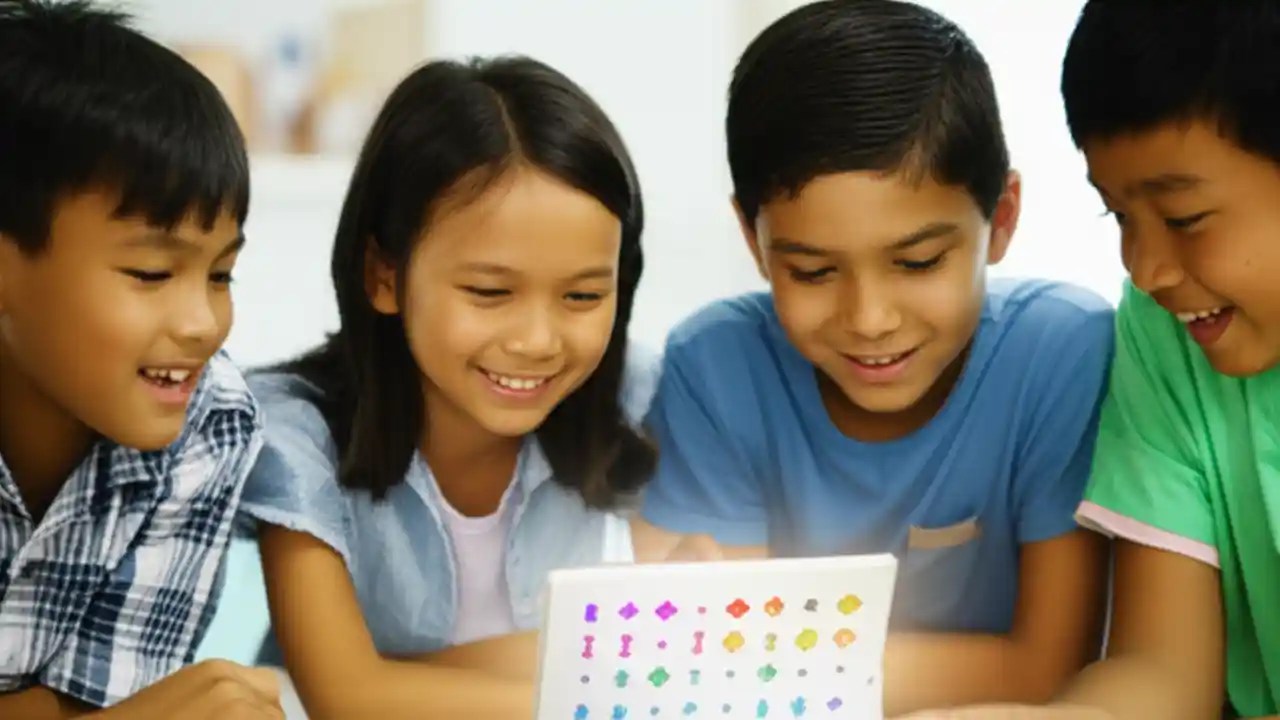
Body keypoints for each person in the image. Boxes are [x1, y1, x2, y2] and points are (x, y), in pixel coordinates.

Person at [629, 1, 1114, 714]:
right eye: (814, 273)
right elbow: (723, 679)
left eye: (918, 262)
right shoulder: (715, 369)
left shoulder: (1061, 351)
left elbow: (1046, 672)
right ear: (752, 236)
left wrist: (791, 652)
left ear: (1002, 217)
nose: (871, 320)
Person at [238, 56, 658, 719]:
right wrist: (597, 688)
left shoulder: (641, 396)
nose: (538, 340)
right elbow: (347, 697)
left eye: (582, 294)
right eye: (490, 292)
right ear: (383, 274)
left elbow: (659, 651)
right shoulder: (295, 433)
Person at [907, 2, 1280, 718]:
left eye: (1183, 219)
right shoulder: (1167, 330)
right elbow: (1162, 673)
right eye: (1119, 216)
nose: (1145, 268)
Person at [0, 1, 280, 718]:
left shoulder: (210, 421)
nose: (202, 324)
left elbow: (98, 703)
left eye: (220, 275)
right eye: (152, 274)